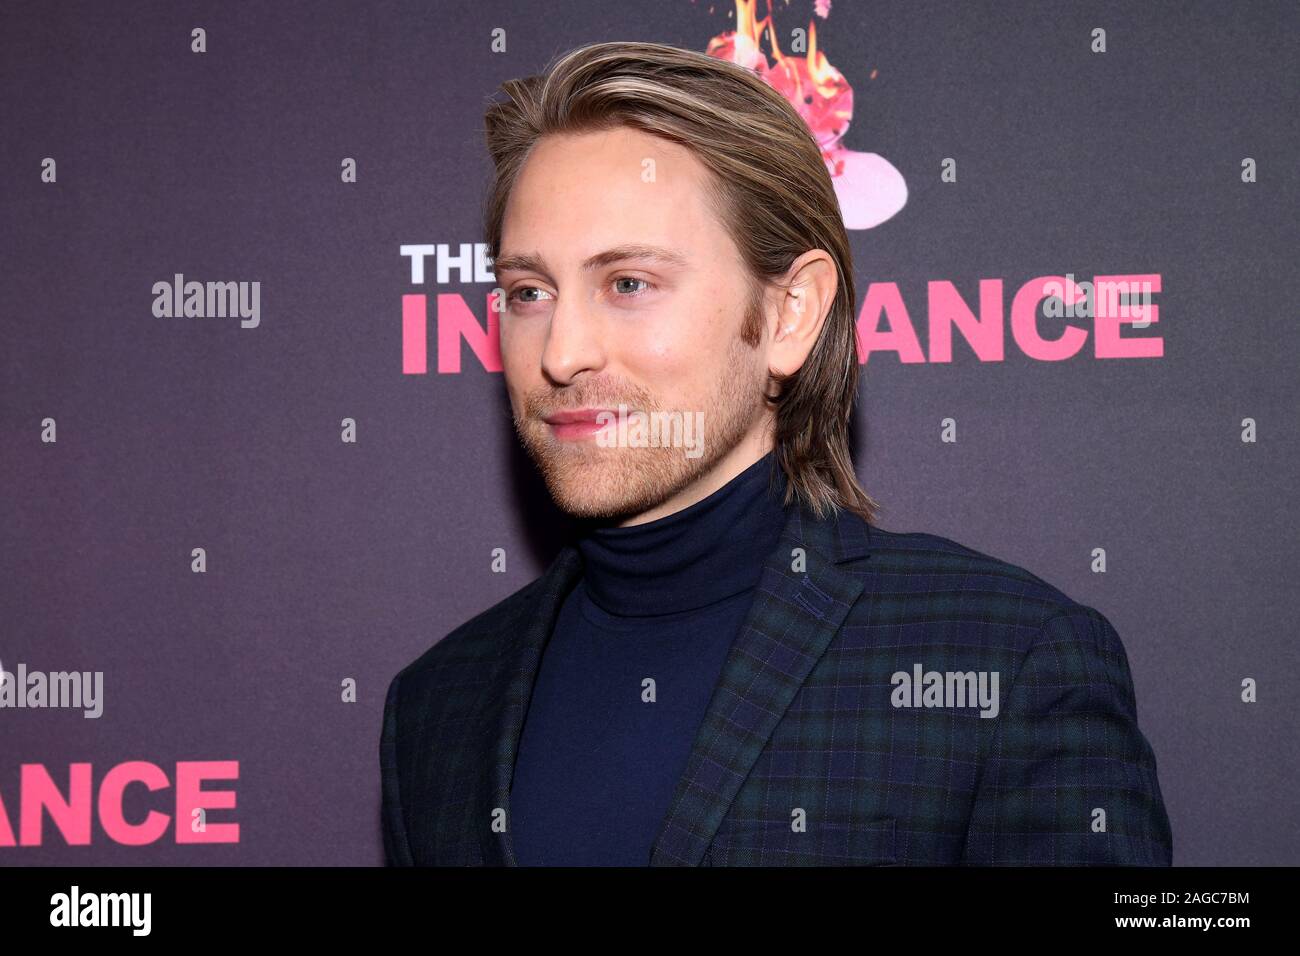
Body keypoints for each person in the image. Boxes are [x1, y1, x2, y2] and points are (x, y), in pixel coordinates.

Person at [380, 40, 1173, 866]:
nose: (562, 351)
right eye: (528, 293)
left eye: (629, 283)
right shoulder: (439, 704)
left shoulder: (1006, 663)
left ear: (792, 314)